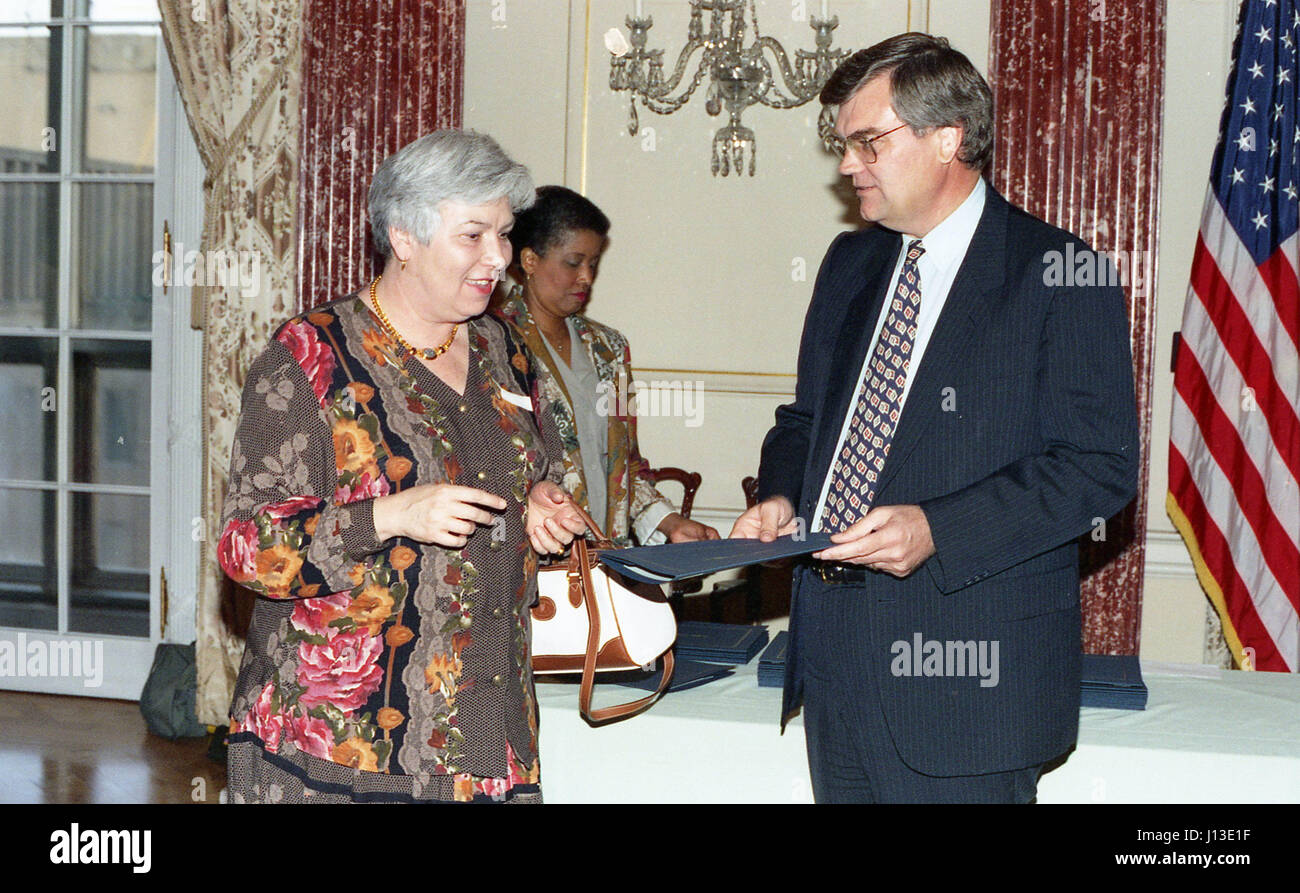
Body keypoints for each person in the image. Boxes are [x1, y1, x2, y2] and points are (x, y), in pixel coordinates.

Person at [731, 33, 1139, 803]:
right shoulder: (850, 264)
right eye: (844, 145)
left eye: (867, 142)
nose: (849, 165)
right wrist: (784, 494)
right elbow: (806, 418)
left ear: (947, 138)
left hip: (971, 691)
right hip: (833, 668)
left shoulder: (1062, 272)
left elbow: (1098, 467)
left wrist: (937, 529)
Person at [216, 130, 587, 803]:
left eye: (504, 234)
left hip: (488, 730)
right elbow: (248, 550)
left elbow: (535, 463)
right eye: (473, 235)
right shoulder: (310, 357)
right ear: (404, 236)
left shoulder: (502, 346)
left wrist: (539, 498)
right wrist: (391, 514)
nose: (498, 258)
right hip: (344, 747)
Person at [494, 185, 719, 546]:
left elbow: (625, 466)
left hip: (606, 565)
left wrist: (669, 522)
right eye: (573, 262)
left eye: (593, 264)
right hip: (531, 569)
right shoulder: (491, 344)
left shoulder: (610, 348)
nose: (586, 277)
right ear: (530, 260)